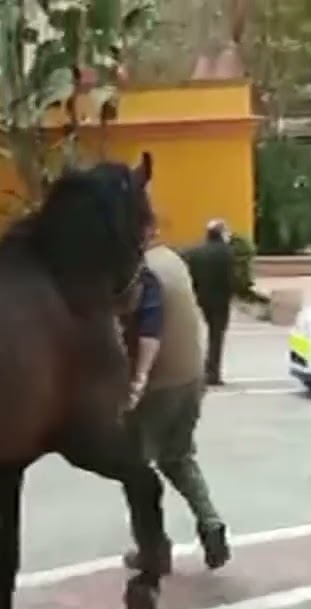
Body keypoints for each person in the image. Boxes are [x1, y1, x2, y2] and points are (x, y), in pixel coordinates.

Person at [121, 231, 231, 574]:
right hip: (191, 378)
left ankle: (152, 551)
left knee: (135, 469)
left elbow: (142, 330)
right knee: (178, 456)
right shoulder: (173, 260)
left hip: (159, 385)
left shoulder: (139, 271)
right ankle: (211, 523)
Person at [180, 220, 234, 385]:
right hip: (221, 300)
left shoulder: (196, 252)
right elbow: (231, 278)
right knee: (216, 337)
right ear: (221, 233)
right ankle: (212, 372)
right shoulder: (227, 252)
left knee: (197, 334)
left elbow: (189, 274)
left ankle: (197, 370)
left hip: (201, 298)